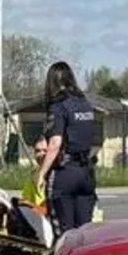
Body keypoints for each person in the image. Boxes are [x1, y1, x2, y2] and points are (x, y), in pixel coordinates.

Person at [35, 61, 99, 233]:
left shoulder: (58, 106)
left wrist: (41, 174)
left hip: (65, 173)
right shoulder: (84, 103)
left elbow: (55, 143)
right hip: (86, 173)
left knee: (64, 233)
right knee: (85, 232)